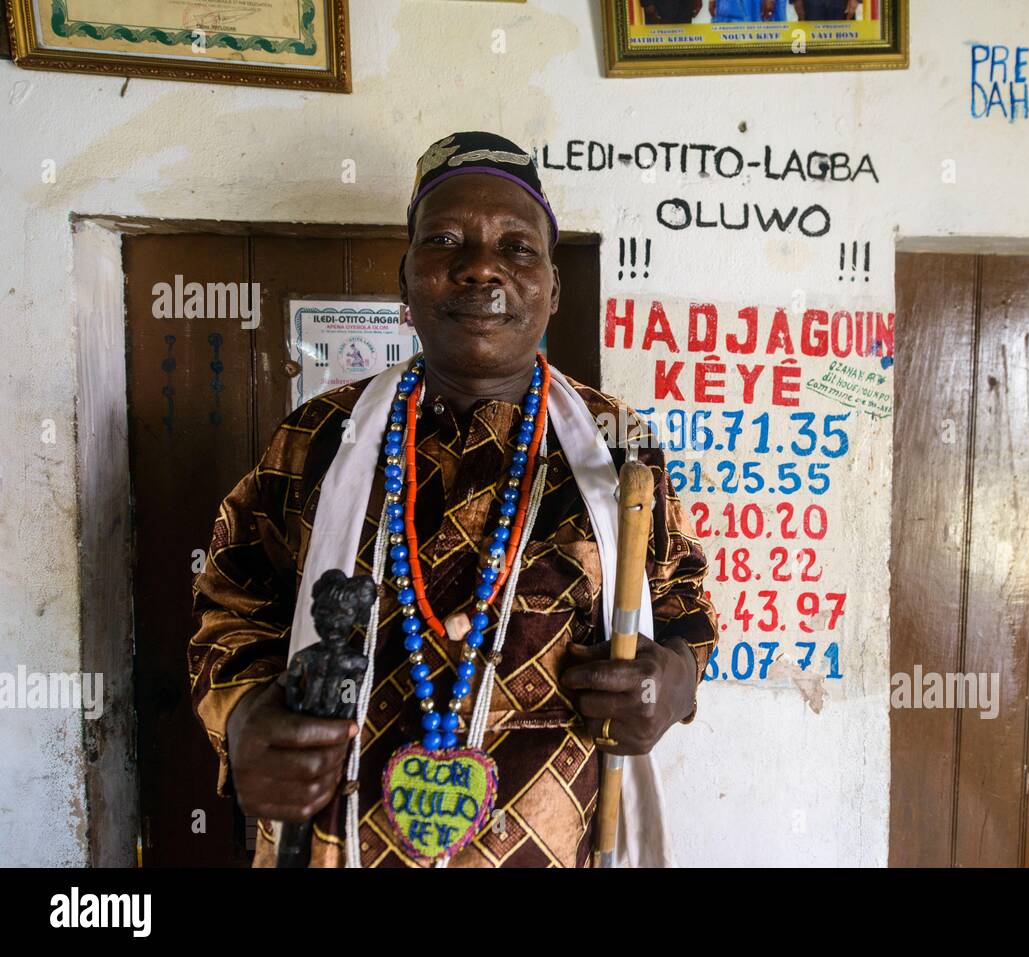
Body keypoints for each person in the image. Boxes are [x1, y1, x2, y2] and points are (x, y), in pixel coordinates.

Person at [188, 131, 719, 868]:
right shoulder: (319, 436)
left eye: (518, 246)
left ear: (554, 289)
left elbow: (684, 602)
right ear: (405, 281)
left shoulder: (618, 444)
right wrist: (243, 716)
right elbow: (230, 599)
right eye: (444, 240)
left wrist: (676, 681)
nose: (480, 267)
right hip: (345, 840)